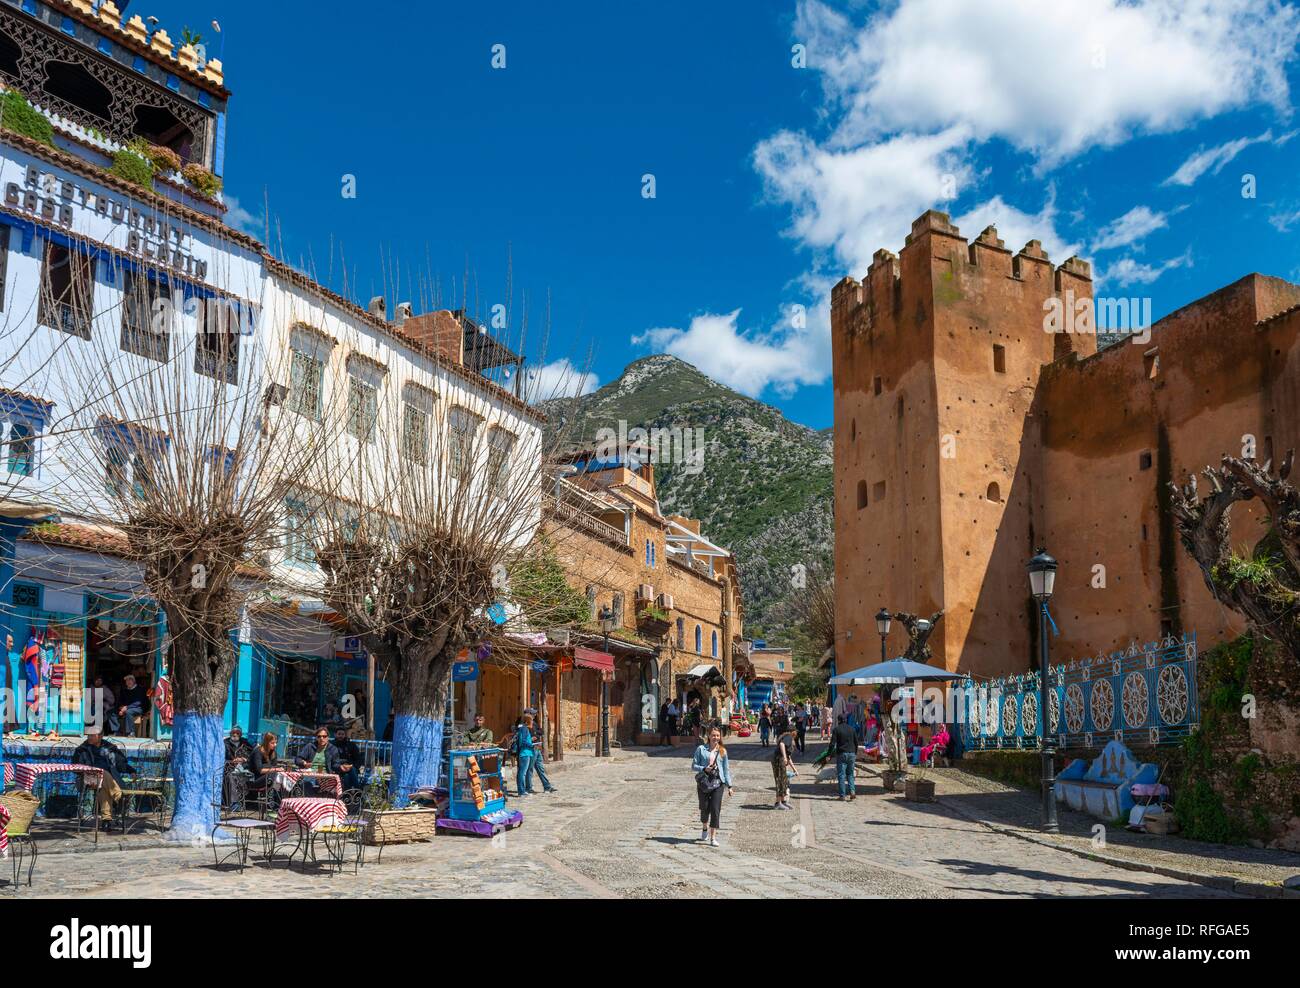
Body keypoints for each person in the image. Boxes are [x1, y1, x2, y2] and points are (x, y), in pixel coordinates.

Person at [72, 728, 136, 823]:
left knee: (103, 785)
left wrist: (131, 771)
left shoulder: (109, 748)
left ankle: (106, 820)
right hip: (88, 779)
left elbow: (120, 763)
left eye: (92, 735)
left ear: (100, 736)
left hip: (107, 781)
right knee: (103, 773)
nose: (90, 737)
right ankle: (119, 797)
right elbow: (76, 767)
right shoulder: (82, 750)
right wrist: (87, 770)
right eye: (89, 735)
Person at [691, 726, 733, 847]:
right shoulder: (700, 749)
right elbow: (693, 765)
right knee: (704, 808)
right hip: (704, 782)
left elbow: (726, 769)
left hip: (718, 783)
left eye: (718, 735)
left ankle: (713, 837)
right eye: (713, 735)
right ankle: (704, 827)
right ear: (708, 736)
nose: (715, 738)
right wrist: (704, 768)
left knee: (715, 809)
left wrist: (729, 786)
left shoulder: (722, 751)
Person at [295, 727, 341, 793]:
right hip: (310, 774)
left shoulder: (333, 749)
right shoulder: (310, 746)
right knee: (307, 783)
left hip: (325, 775)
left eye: (324, 736)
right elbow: (297, 759)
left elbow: (335, 764)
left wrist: (341, 767)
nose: (322, 738)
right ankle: (308, 802)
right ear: (316, 737)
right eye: (319, 736)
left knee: (331, 787)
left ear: (328, 737)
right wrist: (304, 763)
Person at [223, 726, 254, 806]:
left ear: (240, 735)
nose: (235, 734)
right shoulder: (225, 743)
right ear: (230, 733)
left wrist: (245, 759)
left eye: (237, 733)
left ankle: (248, 802)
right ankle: (234, 803)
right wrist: (233, 761)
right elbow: (223, 757)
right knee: (232, 777)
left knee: (250, 776)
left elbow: (252, 754)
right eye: (233, 733)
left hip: (243, 768)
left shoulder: (245, 742)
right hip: (230, 768)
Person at [831, 714, 859, 801]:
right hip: (851, 754)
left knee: (841, 775)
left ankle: (842, 795)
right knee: (850, 774)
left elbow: (832, 744)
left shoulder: (836, 730)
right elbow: (856, 742)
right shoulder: (852, 729)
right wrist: (855, 753)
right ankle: (852, 792)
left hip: (841, 754)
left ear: (838, 720)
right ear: (846, 720)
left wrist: (829, 754)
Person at [772, 723, 796, 810]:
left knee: (784, 780)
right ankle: (778, 803)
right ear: (793, 732)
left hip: (780, 759)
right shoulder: (788, 737)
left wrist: (794, 769)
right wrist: (784, 757)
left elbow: (789, 757)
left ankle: (783, 801)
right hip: (779, 760)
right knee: (780, 780)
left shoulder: (787, 737)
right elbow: (782, 744)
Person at [513, 713, 538, 796]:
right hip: (524, 753)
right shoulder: (524, 729)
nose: (533, 723)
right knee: (522, 773)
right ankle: (521, 792)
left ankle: (522, 791)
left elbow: (524, 740)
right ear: (528, 721)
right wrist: (531, 745)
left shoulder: (523, 729)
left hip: (526, 753)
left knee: (522, 772)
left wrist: (530, 740)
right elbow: (523, 742)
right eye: (532, 721)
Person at [332, 725, 362, 791]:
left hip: (351, 767)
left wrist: (352, 766)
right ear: (335, 735)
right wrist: (340, 767)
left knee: (347, 775)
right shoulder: (332, 745)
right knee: (347, 775)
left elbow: (358, 759)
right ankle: (358, 792)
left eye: (342, 734)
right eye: (339, 734)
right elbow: (331, 760)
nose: (341, 736)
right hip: (338, 768)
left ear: (345, 735)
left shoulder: (351, 745)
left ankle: (347, 796)